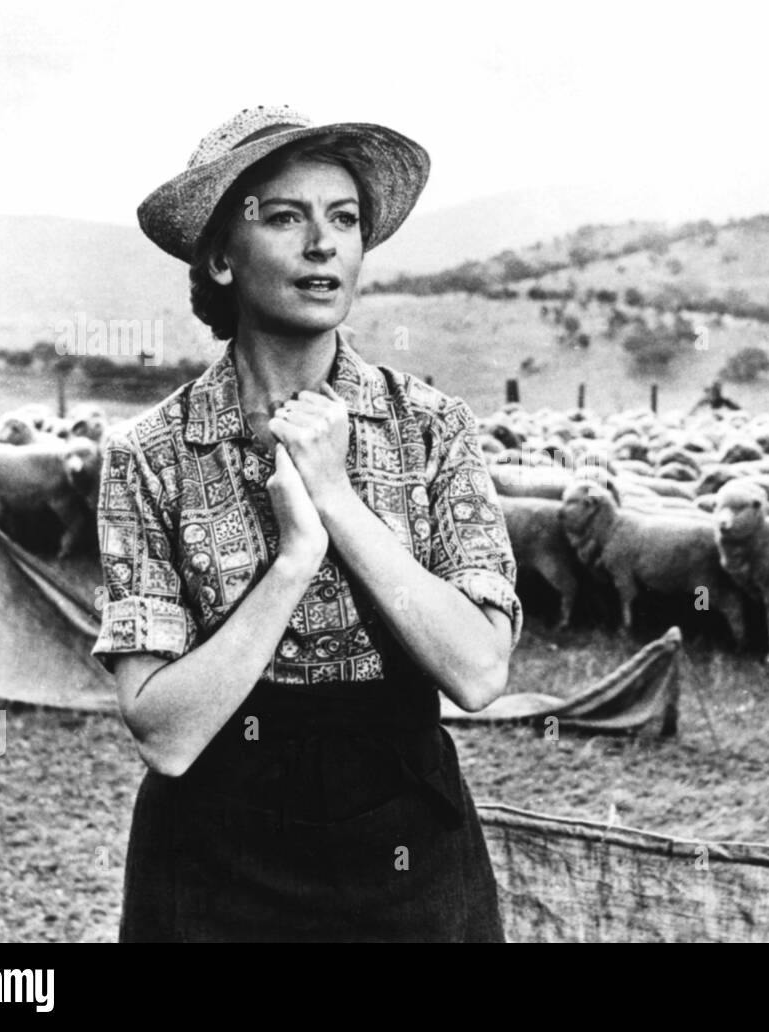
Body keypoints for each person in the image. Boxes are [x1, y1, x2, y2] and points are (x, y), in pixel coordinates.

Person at [92, 106, 523, 942]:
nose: (324, 245)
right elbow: (168, 735)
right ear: (220, 255)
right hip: (215, 859)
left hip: (405, 847)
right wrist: (292, 562)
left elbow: (476, 672)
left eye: (345, 219)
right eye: (285, 217)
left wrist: (337, 501)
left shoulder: (432, 427)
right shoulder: (149, 455)